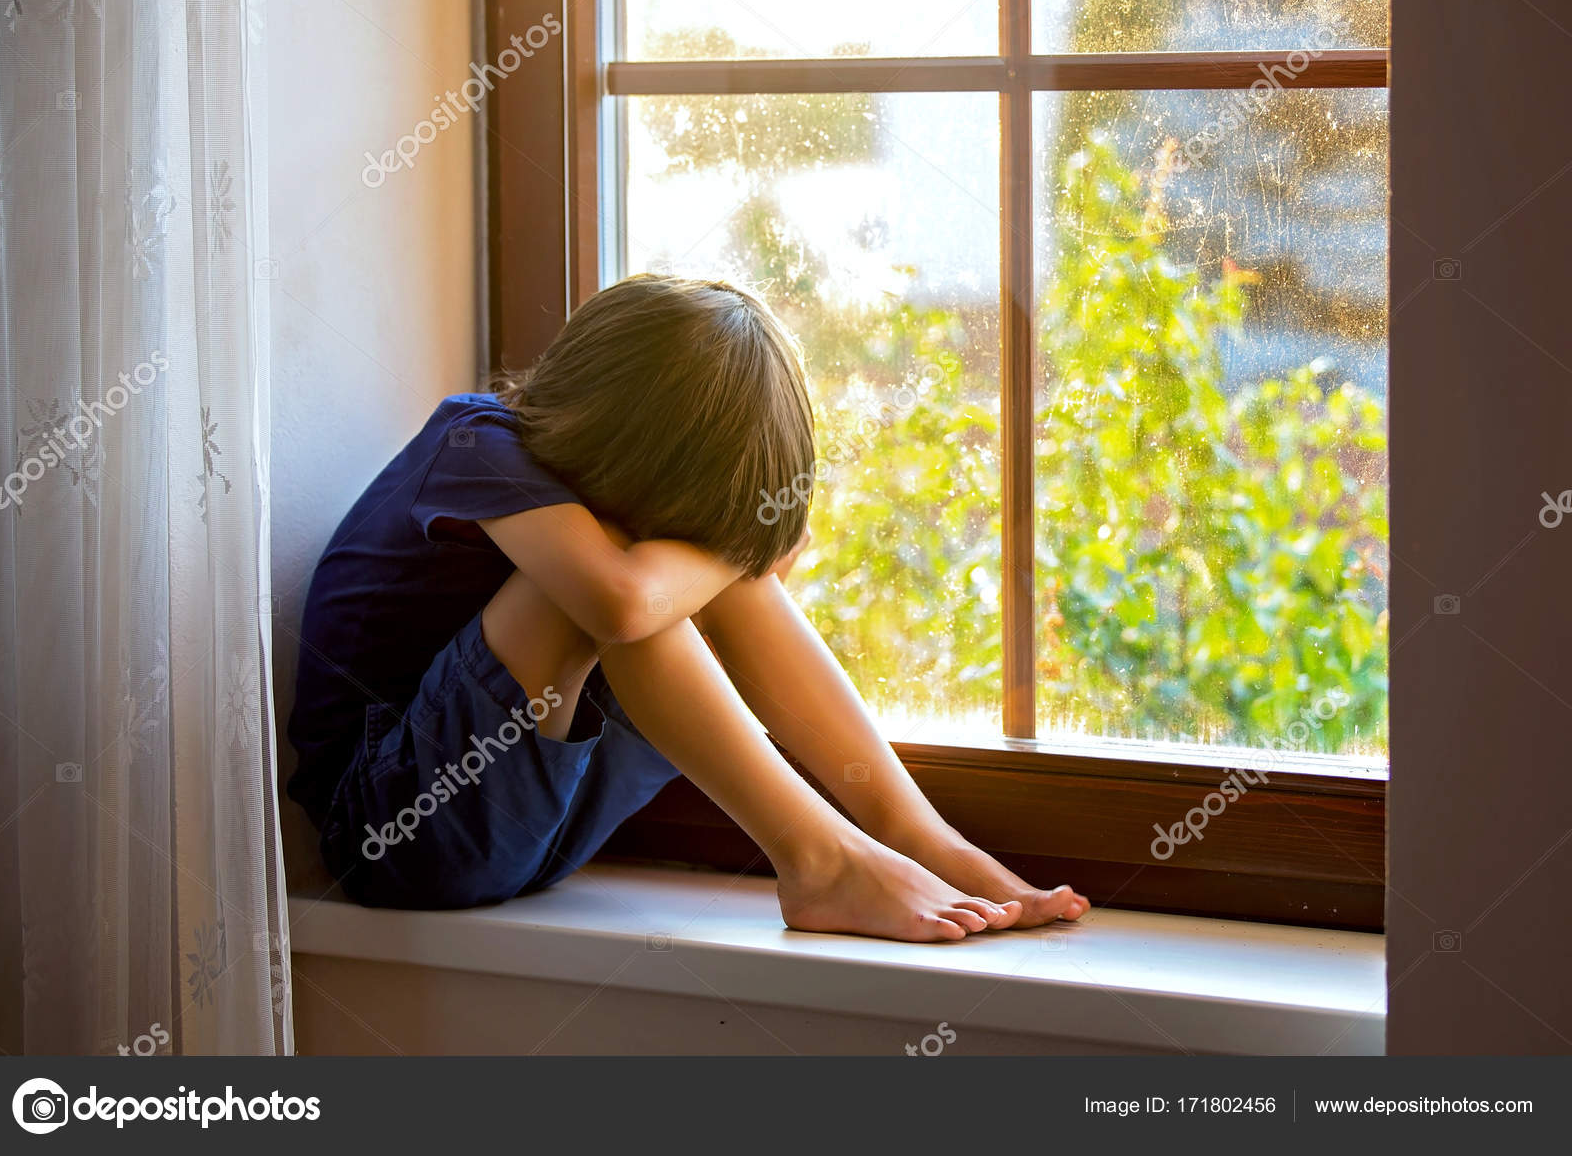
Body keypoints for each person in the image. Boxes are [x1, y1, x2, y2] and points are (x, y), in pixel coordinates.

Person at [288, 275, 1089, 942]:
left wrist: (735, 558)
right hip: (396, 830)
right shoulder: (471, 441)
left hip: (544, 828)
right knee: (616, 588)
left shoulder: (597, 501)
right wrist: (732, 550)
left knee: (707, 580)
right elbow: (623, 599)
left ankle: (914, 832)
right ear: (621, 440)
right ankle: (821, 861)